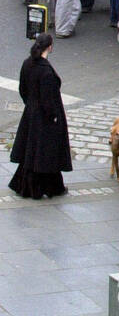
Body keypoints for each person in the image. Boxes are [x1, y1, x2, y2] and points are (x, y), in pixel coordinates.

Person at [8, 34, 72, 199]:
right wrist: (54, 117)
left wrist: (30, 105)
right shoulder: (46, 72)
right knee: (45, 154)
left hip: (31, 113)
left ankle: (42, 186)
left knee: (31, 152)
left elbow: (23, 89)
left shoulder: (27, 63)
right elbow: (48, 100)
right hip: (45, 119)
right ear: (50, 47)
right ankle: (47, 187)